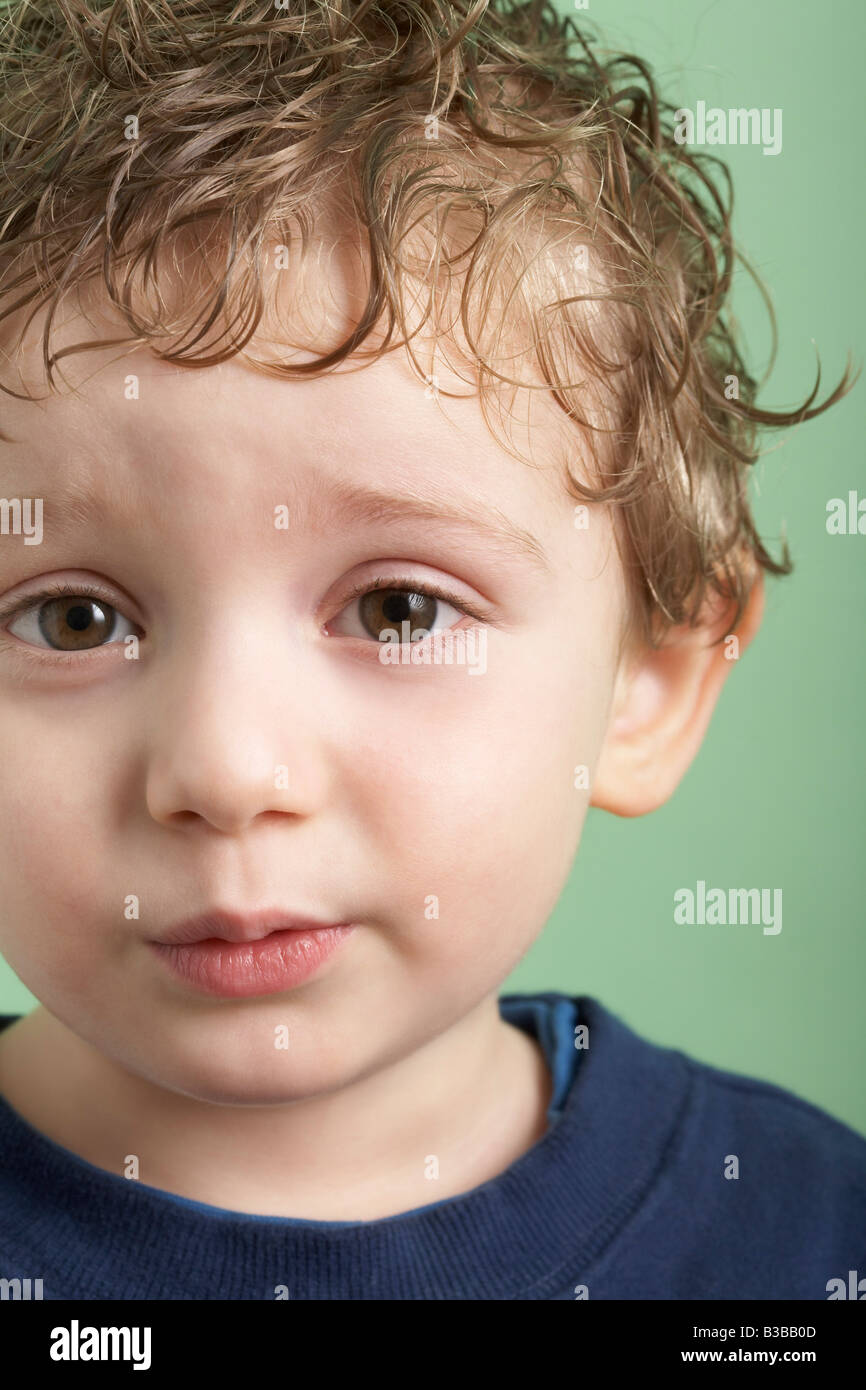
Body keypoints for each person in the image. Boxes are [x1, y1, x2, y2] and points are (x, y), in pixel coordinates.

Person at [0, 0, 862, 1300]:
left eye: (398, 609)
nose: (229, 770)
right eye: (74, 617)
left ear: (653, 679)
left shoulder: (804, 1247)